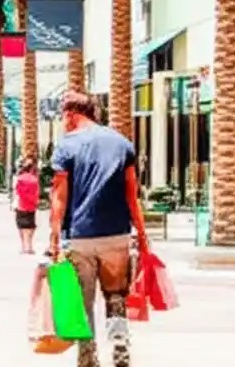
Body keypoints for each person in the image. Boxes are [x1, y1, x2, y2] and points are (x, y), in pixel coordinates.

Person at [48, 91, 151, 367]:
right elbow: (132, 195)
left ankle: (87, 353)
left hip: (80, 236)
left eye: (62, 116)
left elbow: (60, 195)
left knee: (83, 300)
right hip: (116, 234)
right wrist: (141, 234)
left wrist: (54, 234)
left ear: (71, 114)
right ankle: (119, 344)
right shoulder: (122, 143)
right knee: (116, 295)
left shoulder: (66, 145)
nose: (63, 122)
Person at [13, 158, 40, 254]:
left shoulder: (19, 178)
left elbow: (16, 191)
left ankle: (23, 246)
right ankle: (29, 246)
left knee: (21, 226)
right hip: (31, 206)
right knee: (30, 226)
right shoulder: (34, 179)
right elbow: (37, 192)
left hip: (21, 205)